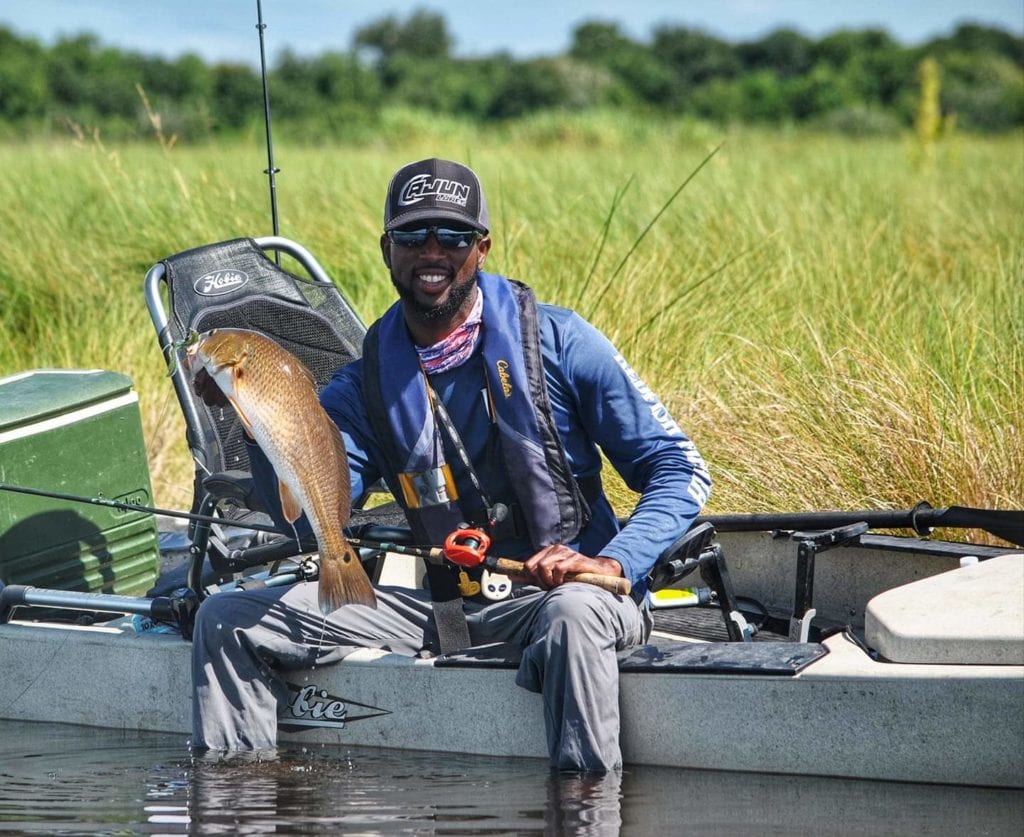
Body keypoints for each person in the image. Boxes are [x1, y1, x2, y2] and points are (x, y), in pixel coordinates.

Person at [190, 157, 712, 772]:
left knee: (573, 616)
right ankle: (236, 801)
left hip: (573, 597)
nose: (431, 252)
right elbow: (308, 525)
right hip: (440, 612)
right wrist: (255, 425)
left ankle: (584, 806)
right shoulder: (365, 384)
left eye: (453, 236)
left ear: (482, 248)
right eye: (412, 237)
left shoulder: (562, 343)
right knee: (225, 618)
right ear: (387, 251)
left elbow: (680, 468)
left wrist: (612, 561)